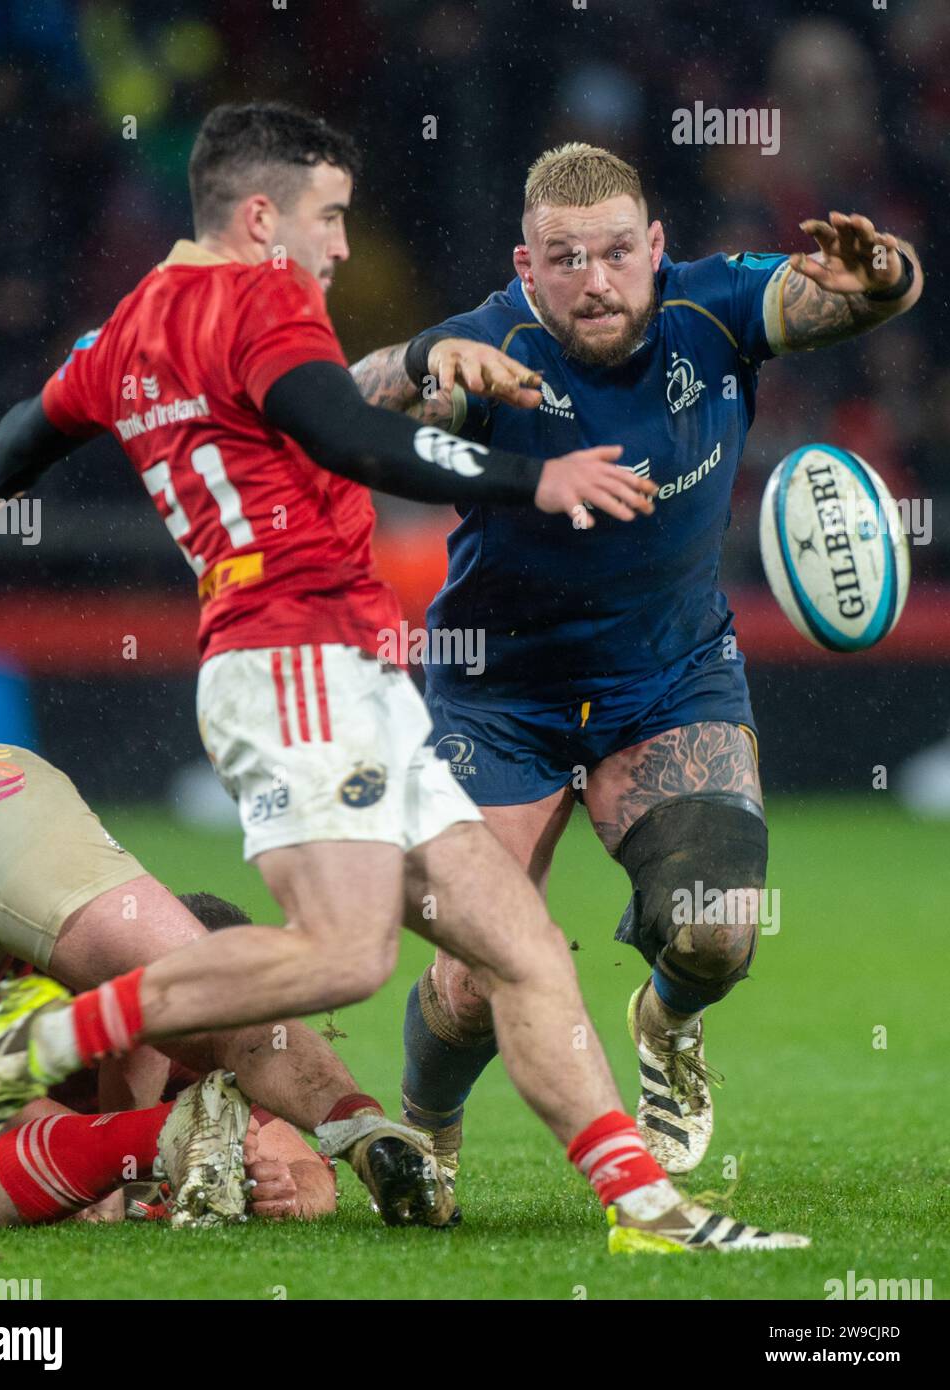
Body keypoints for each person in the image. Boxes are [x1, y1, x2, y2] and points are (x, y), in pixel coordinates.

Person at [0, 105, 804, 1252]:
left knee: (523, 947)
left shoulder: (137, 320)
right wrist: (528, 480)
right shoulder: (258, 300)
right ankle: (50, 1043)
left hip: (344, 675)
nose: (341, 247)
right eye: (328, 217)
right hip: (291, 664)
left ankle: (646, 1210)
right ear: (261, 218)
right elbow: (354, 436)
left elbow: (33, 419)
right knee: (346, 954)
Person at [349, 141, 923, 1181]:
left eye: (617, 251)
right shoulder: (489, 346)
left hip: (669, 681)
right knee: (479, 981)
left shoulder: (712, 312)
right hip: (499, 698)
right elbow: (342, 409)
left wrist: (882, 274)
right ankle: (427, 1119)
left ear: (655, 248)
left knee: (716, 932)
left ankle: (665, 1023)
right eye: (565, 259)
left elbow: (860, 293)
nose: (596, 279)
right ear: (526, 267)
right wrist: (422, 367)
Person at [0, 743, 435, 1226]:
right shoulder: (68, 973)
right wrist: (126, 1163)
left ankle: (354, 1129)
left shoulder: (77, 987)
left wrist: (289, 1188)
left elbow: (300, 1165)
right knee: (215, 1000)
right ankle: (361, 1123)